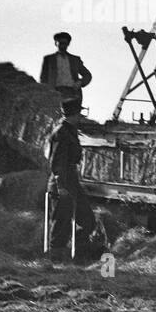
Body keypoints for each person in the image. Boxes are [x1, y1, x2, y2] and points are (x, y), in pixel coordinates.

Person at [46, 97, 98, 263]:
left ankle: (79, 253)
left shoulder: (70, 130)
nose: (81, 117)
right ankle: (56, 261)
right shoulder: (61, 132)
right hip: (61, 182)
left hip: (71, 180)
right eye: (79, 114)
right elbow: (57, 162)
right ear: (74, 114)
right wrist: (61, 186)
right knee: (61, 223)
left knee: (87, 219)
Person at [39, 32, 93, 110]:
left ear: (68, 44)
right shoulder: (48, 59)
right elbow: (43, 78)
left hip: (72, 93)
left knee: (72, 118)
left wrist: (80, 82)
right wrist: (45, 94)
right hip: (55, 93)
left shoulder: (75, 60)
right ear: (56, 43)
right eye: (60, 43)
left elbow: (88, 75)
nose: (62, 45)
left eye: (65, 43)